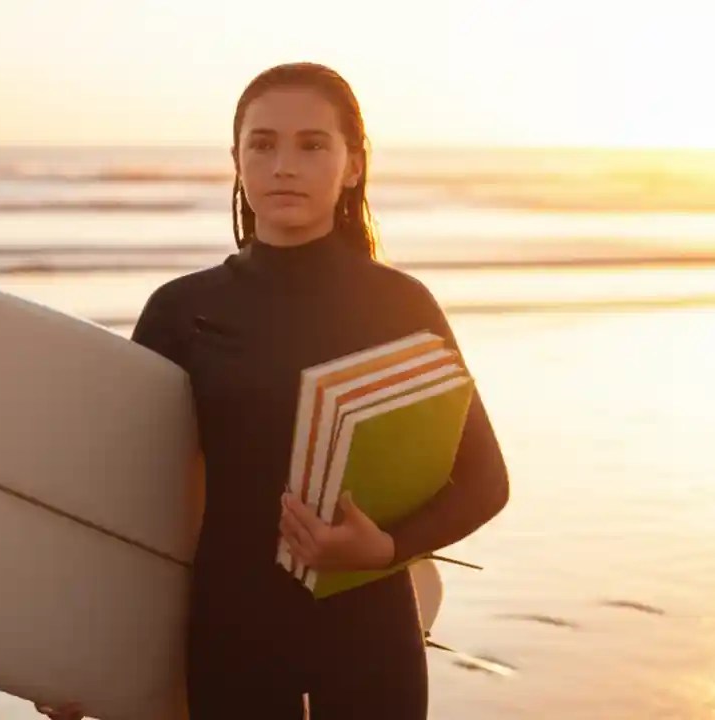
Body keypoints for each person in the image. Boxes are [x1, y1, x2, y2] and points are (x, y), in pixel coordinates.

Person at [37, 61, 509, 720]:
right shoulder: (182, 312)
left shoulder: (400, 307)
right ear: (237, 160)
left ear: (352, 164)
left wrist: (385, 549)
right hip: (234, 630)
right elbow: (123, 500)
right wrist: (79, 656)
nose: (284, 164)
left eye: (312, 144)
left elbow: (485, 481)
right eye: (263, 144)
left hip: (371, 631)